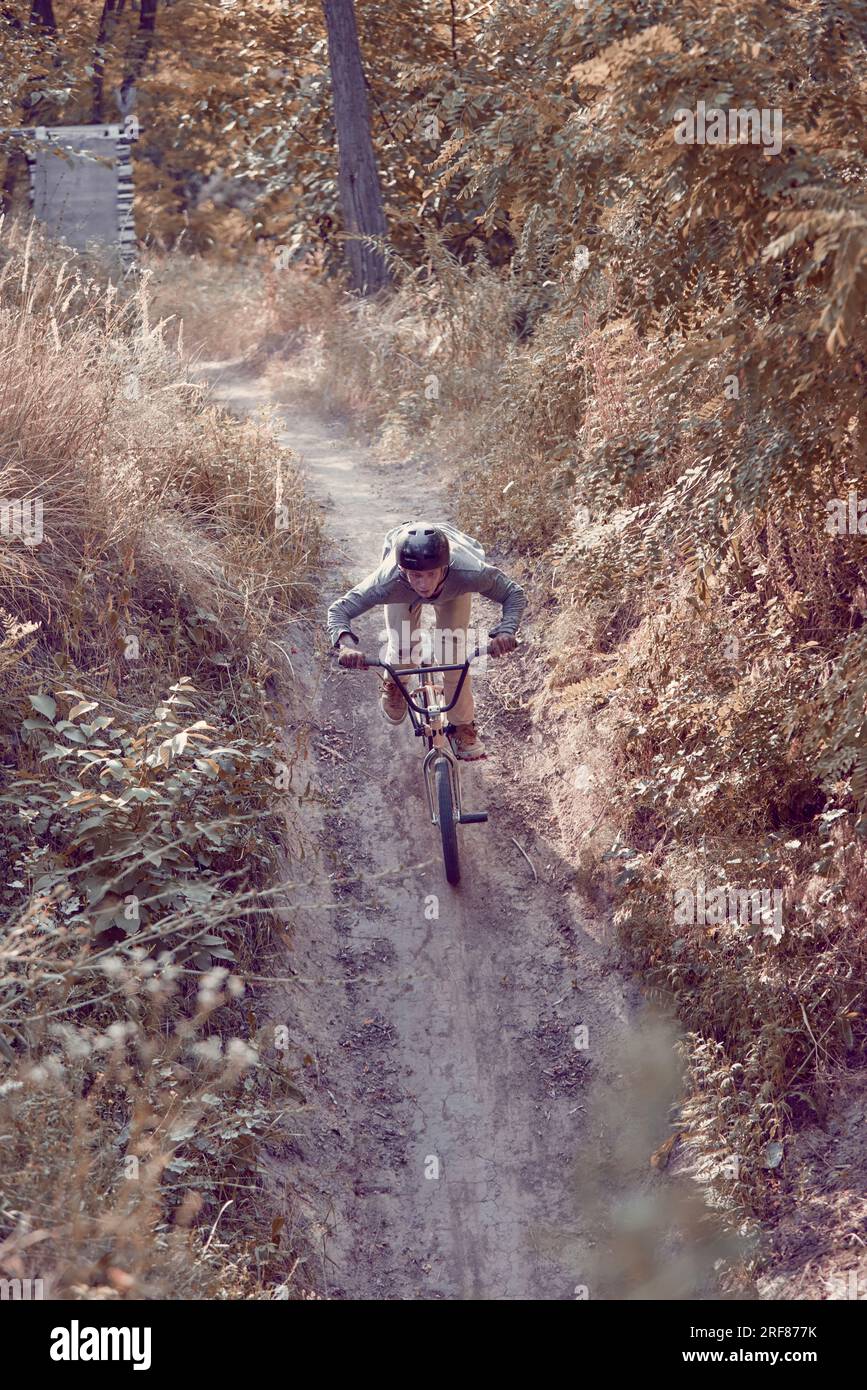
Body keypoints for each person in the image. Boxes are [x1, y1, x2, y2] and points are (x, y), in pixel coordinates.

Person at [327, 521, 526, 760]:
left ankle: (462, 726)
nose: (424, 584)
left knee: (453, 653)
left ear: (444, 567)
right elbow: (339, 609)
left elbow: (512, 593)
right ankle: (395, 686)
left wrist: (506, 631)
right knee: (402, 647)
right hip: (402, 593)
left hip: (453, 589)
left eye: (431, 574)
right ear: (402, 569)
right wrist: (346, 644)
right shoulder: (388, 581)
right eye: (415, 575)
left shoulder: (468, 573)